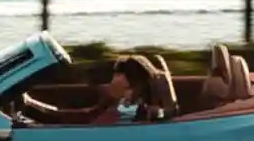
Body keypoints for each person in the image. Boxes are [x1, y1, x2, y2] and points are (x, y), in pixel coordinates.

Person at [19, 54, 159, 125]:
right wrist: (31, 104)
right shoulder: (117, 104)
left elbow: (84, 126)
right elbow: (81, 116)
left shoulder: (131, 113)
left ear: (130, 81)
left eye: (117, 75)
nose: (111, 80)